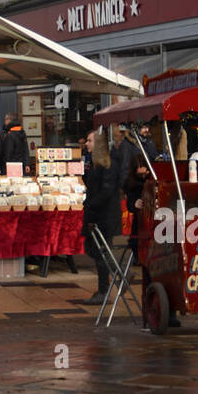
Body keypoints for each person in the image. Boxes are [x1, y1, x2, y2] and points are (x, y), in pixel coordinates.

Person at [82, 129, 122, 304]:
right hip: (97, 214)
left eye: (90, 141)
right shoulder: (96, 164)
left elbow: (106, 191)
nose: (86, 144)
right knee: (97, 250)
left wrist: (91, 204)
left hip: (104, 216)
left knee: (101, 252)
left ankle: (109, 285)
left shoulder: (108, 165)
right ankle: (117, 278)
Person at [124, 153, 153, 260]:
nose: (143, 177)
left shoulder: (152, 177)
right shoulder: (132, 182)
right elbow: (130, 203)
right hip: (140, 224)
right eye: (140, 175)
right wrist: (134, 203)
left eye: (145, 174)